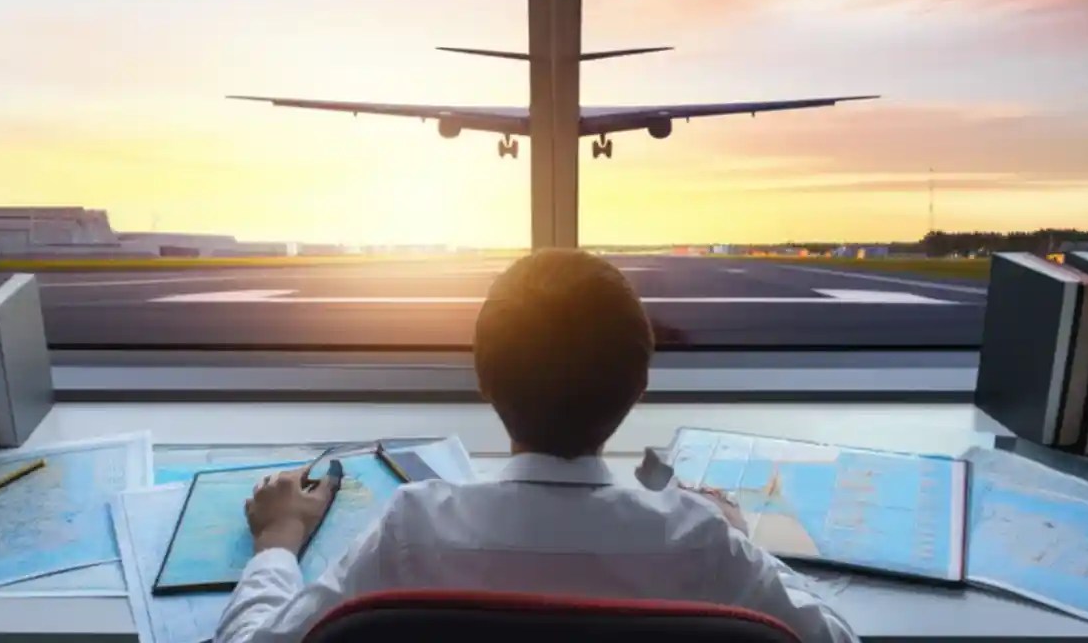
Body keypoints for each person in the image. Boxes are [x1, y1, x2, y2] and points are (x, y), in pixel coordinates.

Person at [216, 249, 857, 643]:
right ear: (638, 387)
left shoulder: (412, 530)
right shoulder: (698, 543)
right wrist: (739, 541)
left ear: (484, 380)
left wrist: (277, 544)